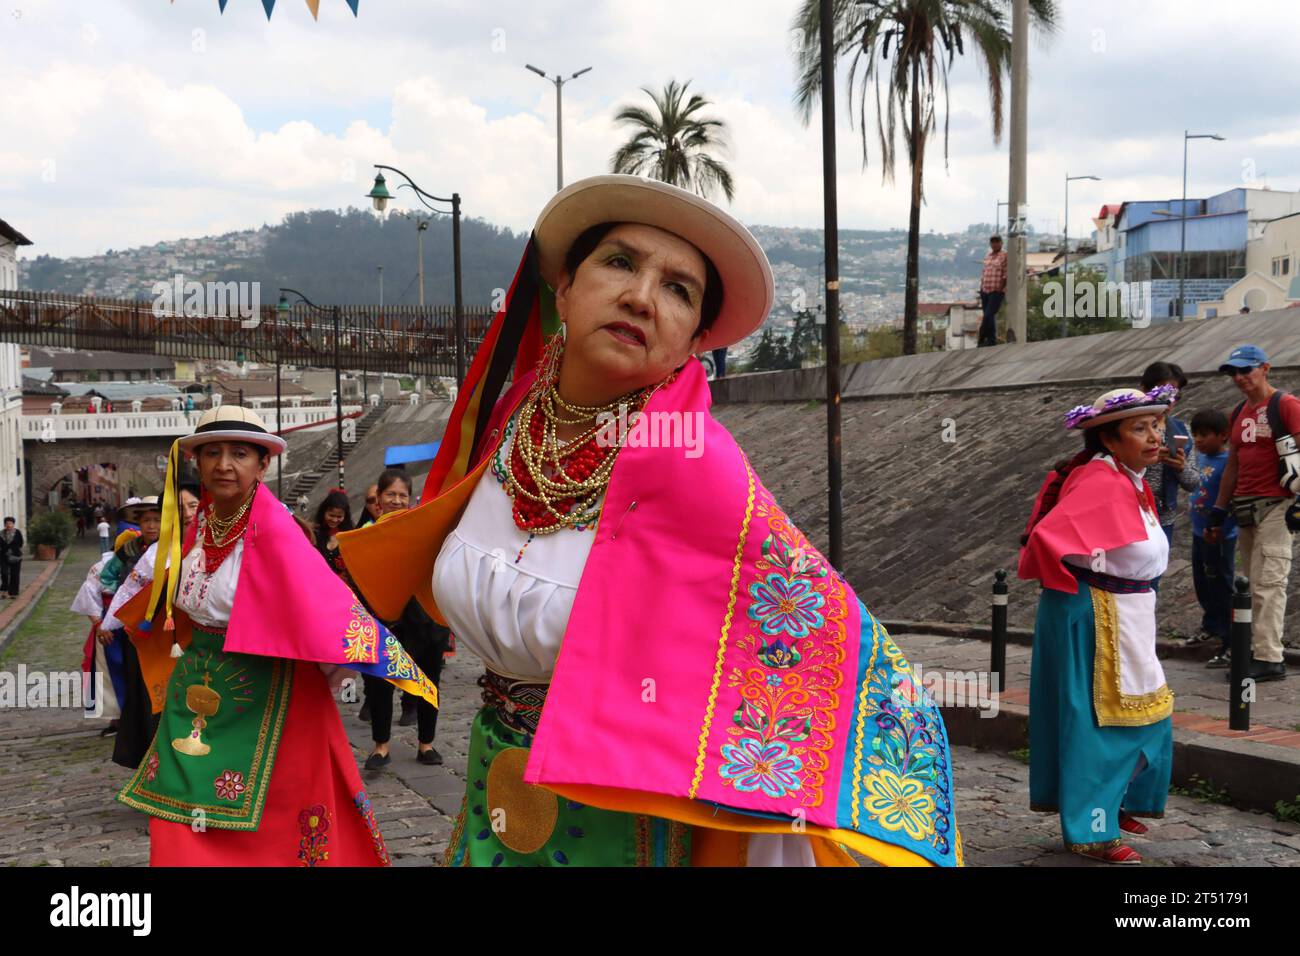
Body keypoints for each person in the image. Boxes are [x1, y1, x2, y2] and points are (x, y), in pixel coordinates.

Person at [340, 174, 960, 867]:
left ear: (694, 339)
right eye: (620, 262)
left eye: (678, 289)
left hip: (631, 823)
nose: (641, 296)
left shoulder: (701, 473)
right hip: (495, 792)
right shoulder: (502, 430)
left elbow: (827, 655)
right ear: (565, 288)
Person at [112, 406, 439, 866]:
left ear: (262, 465)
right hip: (199, 692)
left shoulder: (278, 532)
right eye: (212, 453)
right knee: (176, 812)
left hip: (268, 695)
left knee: (274, 821)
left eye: (239, 453)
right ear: (197, 462)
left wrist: (342, 667)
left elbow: (325, 607)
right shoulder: (198, 528)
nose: (224, 464)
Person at [1020, 386, 1176, 864]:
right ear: (1109, 439)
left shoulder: (1130, 478)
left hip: (1127, 610)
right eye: (1139, 428)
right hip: (1098, 612)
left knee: (1148, 716)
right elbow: (1051, 538)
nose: (1154, 436)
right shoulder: (1100, 480)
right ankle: (1093, 828)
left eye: (1157, 425)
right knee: (1099, 723)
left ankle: (1114, 801)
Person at [1206, 345, 1300, 682]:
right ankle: (1257, 650)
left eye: (1246, 370)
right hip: (1244, 507)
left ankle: (1269, 657)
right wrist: (1218, 509)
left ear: (1265, 368)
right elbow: (1233, 464)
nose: (1239, 378)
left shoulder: (1285, 405)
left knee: (1269, 583)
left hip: (1277, 503)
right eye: (1234, 372)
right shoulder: (1239, 412)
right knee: (1249, 585)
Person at [99, 486, 202, 767]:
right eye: (179, 508)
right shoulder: (156, 552)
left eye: (193, 506)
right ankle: (163, 767)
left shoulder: (211, 544)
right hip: (162, 641)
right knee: (162, 705)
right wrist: (109, 622)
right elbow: (129, 588)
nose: (188, 514)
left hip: (203, 639)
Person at [359, 469, 447, 768]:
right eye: (390, 495)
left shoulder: (423, 532)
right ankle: (380, 746)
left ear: (410, 500)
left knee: (428, 683)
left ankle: (426, 744)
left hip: (425, 623)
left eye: (402, 495)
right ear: (378, 500)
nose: (396, 500)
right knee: (380, 686)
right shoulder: (366, 536)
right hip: (384, 623)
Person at [1188, 409, 1237, 666]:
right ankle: (1212, 625)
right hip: (1198, 531)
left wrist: (1222, 526)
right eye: (1195, 434)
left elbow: (1229, 498)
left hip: (1220, 534)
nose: (1198, 439)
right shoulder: (1198, 459)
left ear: (1223, 435)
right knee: (1203, 581)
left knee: (1222, 584)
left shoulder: (1228, 462)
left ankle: (1231, 639)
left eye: (1204, 435)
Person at [1138, 362, 1200, 546]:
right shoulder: (1128, 427)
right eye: (1163, 392)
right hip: (1131, 512)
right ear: (1144, 389)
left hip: (1164, 518)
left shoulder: (1182, 430)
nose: (1169, 400)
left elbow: (1193, 482)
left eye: (1175, 395)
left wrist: (1181, 468)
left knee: (1156, 570)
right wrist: (1149, 459)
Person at [312, 489, 353, 578]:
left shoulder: (350, 536)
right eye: (331, 515)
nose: (334, 520)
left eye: (339, 517)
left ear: (345, 517)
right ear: (323, 512)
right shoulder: (314, 533)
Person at [977, 234, 1007, 347]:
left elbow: (1006, 272)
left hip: (996, 290)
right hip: (985, 290)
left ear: (1001, 243)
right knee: (989, 316)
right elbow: (984, 272)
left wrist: (1002, 287)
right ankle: (991, 340)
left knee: (988, 315)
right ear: (990, 244)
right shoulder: (987, 256)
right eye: (993, 242)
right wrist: (981, 287)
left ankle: (981, 339)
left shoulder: (1005, 255)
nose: (995, 244)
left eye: (997, 242)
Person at [1, 517, 23, 599]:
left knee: (14, 574)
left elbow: (21, 543)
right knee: (4, 573)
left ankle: (13, 593)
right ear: (4, 524)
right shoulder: (1, 533)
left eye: (10, 523)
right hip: (3, 556)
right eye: (7, 523)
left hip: (15, 556)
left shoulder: (17, 533)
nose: (9, 525)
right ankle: (4, 590)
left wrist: (13, 550)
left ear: (13, 524)